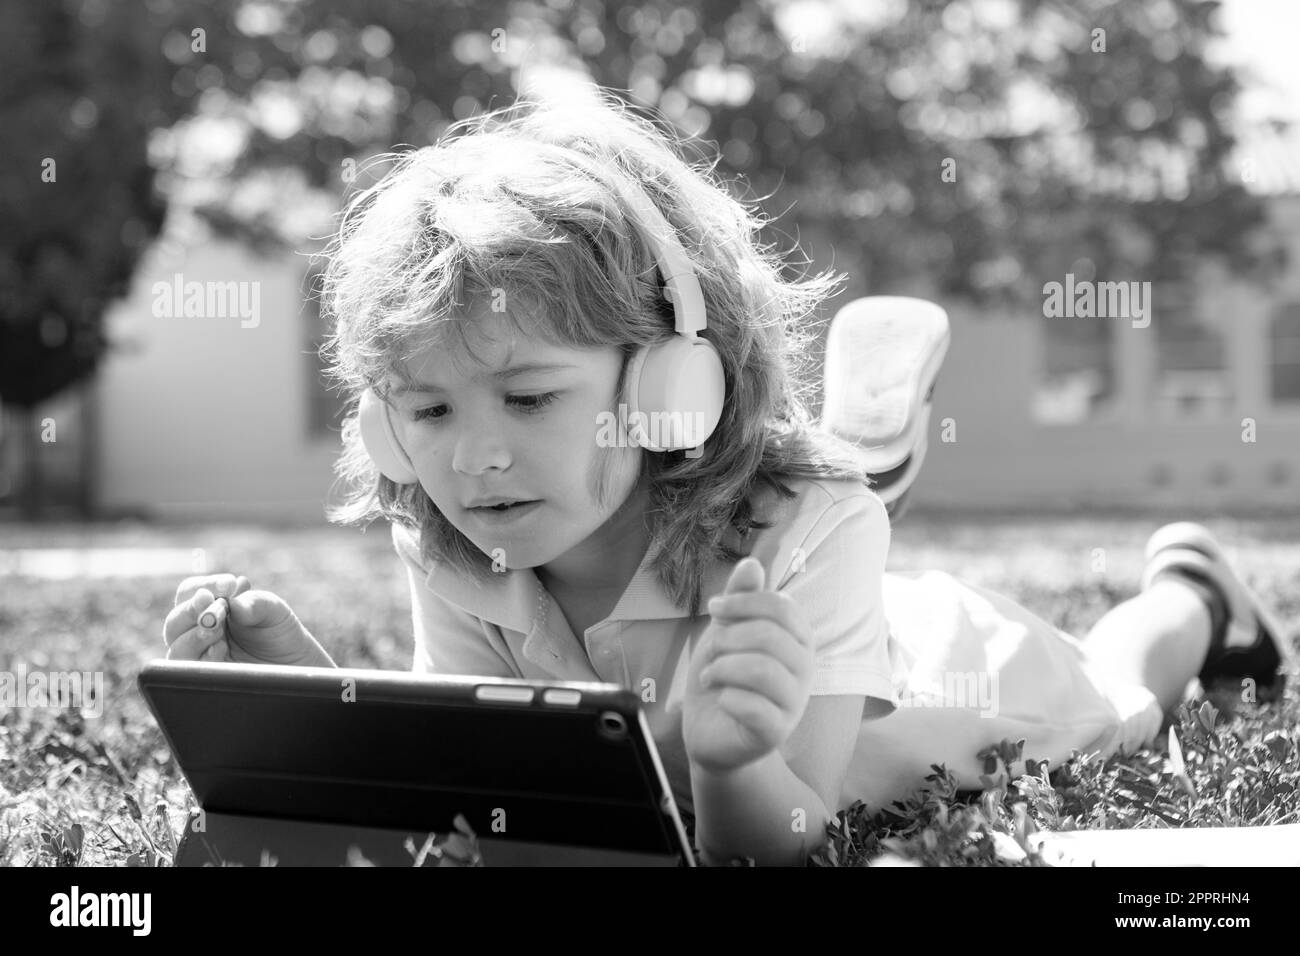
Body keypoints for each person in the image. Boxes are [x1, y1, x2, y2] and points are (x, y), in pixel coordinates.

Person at [161, 85, 1293, 866]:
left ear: (669, 381)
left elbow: (781, 841)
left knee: (1122, 693)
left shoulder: (812, 531)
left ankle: (1194, 594)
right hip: (794, 579)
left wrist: (735, 762)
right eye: (430, 409)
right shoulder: (459, 538)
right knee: (821, 510)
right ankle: (867, 450)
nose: (476, 454)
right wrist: (318, 702)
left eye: (527, 396)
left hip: (943, 666)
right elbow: (470, 781)